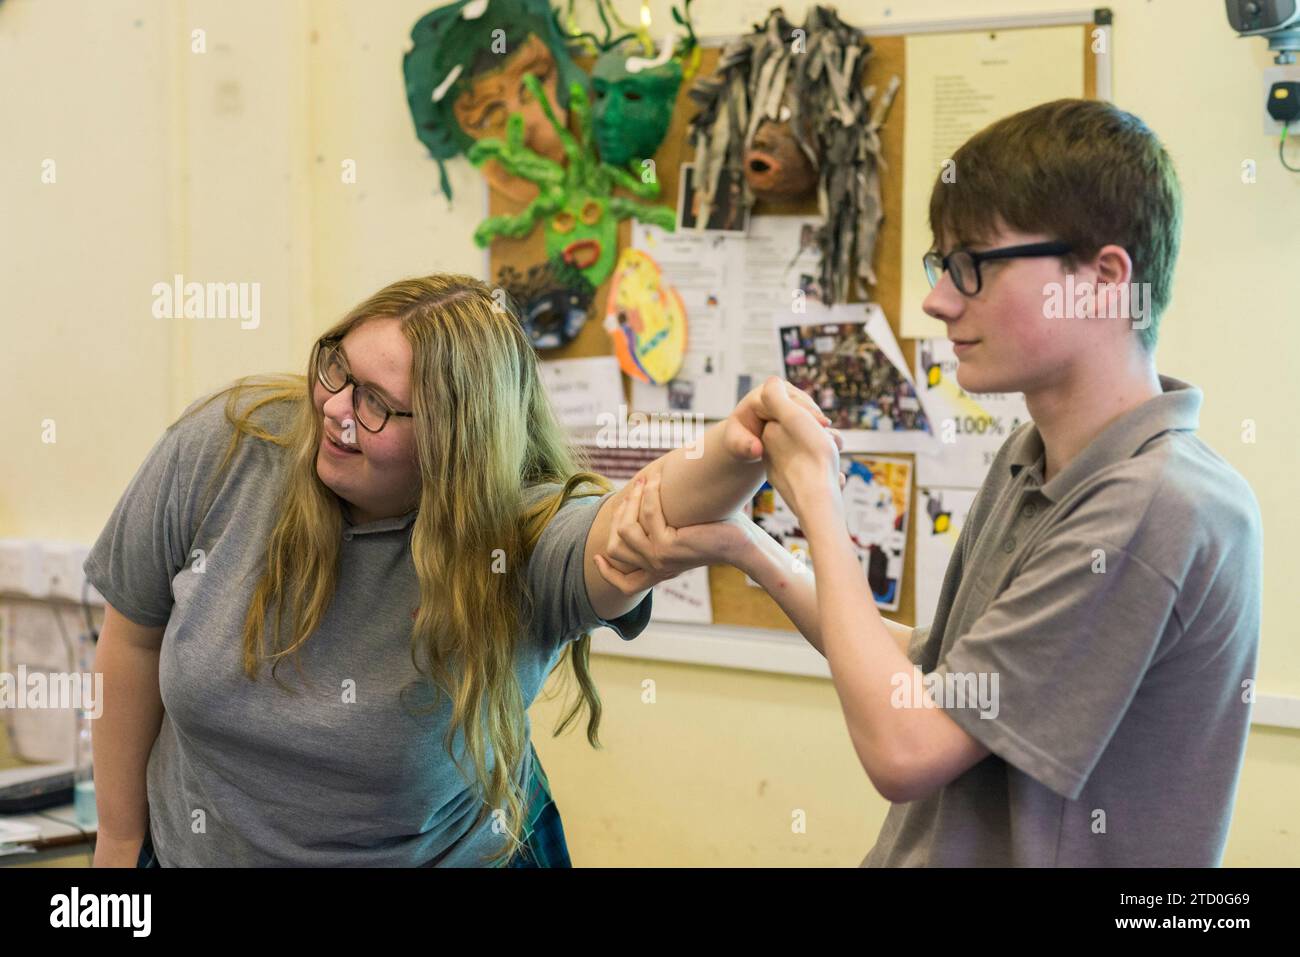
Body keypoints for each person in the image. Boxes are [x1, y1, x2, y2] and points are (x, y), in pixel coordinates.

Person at [597, 99, 1262, 866]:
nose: (939, 300)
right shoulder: (1033, 456)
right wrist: (748, 549)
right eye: (940, 265)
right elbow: (942, 679)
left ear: (1103, 279)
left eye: (973, 265)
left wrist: (818, 492)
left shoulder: (1160, 503)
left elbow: (906, 746)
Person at [86, 273, 835, 867]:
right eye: (337, 370)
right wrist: (118, 843)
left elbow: (647, 517)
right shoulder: (229, 442)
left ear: (454, 444)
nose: (337, 411)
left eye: (378, 403)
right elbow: (132, 638)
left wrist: (737, 445)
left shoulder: (518, 535)